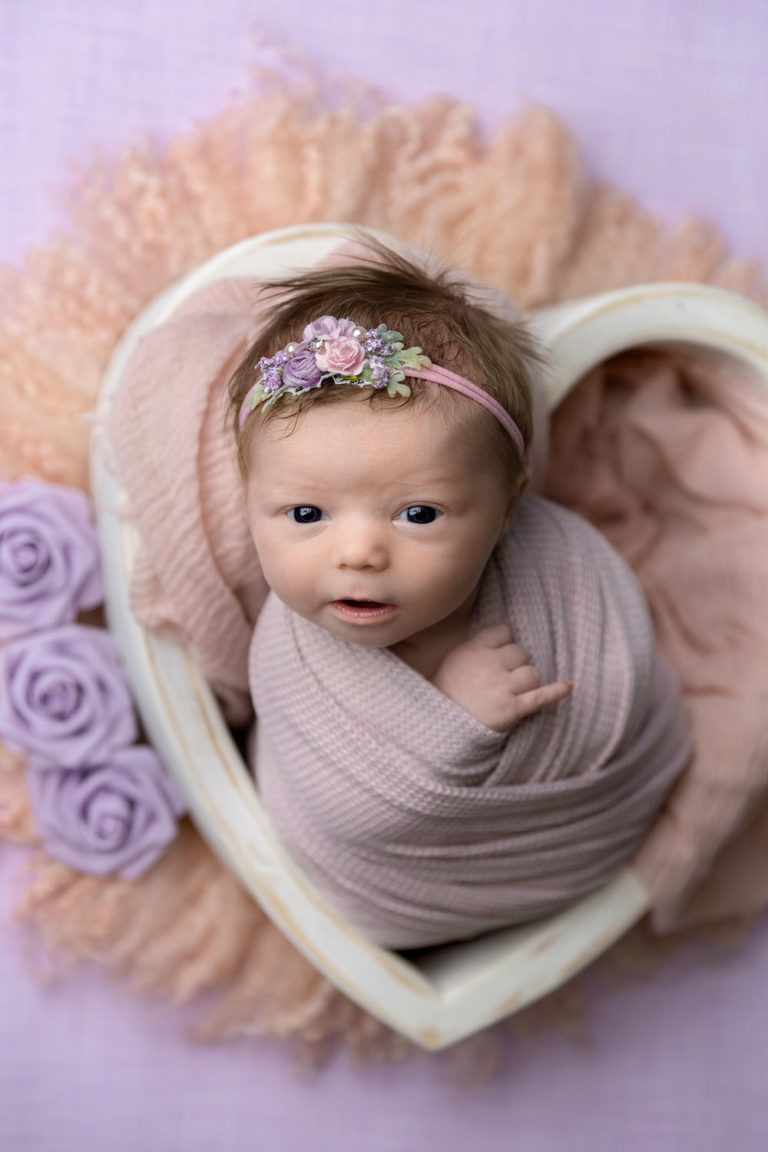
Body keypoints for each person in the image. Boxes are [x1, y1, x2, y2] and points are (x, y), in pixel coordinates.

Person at [228, 240, 691, 950]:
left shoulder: (561, 564)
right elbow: (349, 810)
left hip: (582, 839)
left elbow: (620, 672)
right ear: (251, 500)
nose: (357, 554)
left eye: (418, 514)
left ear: (508, 505)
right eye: (305, 515)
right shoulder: (289, 657)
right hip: (387, 886)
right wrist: (456, 727)